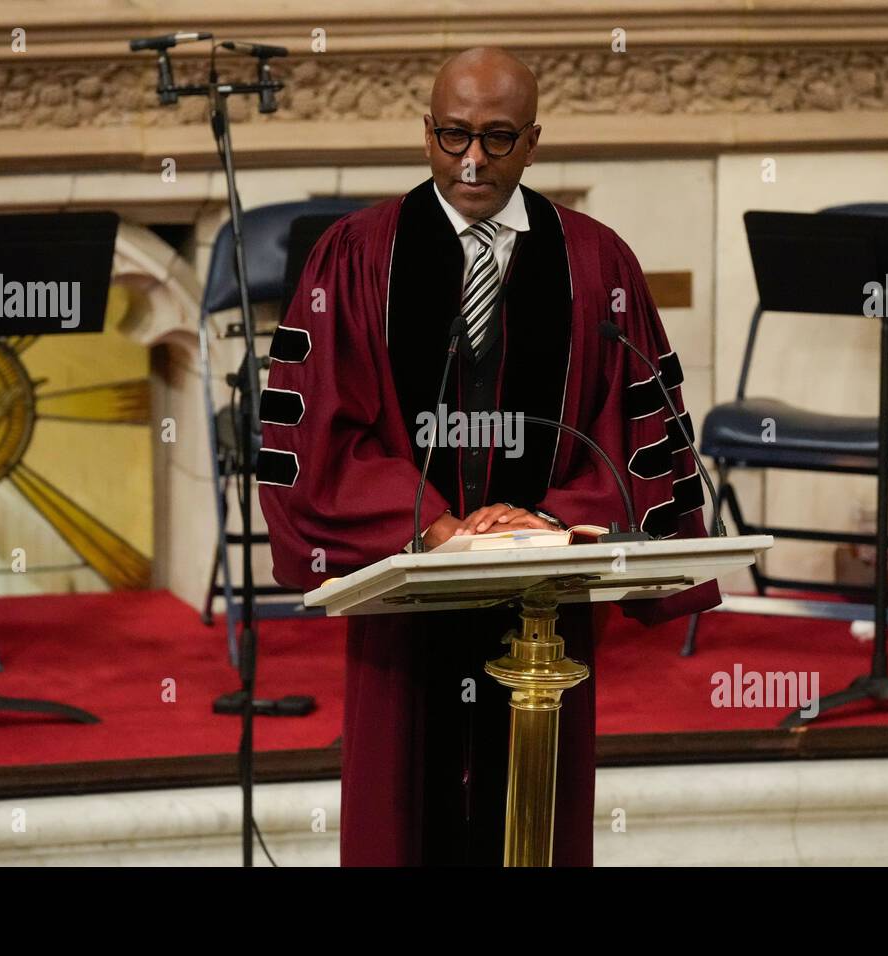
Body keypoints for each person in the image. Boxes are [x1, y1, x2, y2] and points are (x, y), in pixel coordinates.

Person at [257, 47, 719, 866]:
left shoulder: (595, 263)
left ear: (534, 141)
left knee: (532, 814)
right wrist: (429, 523)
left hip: (544, 586)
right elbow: (316, 433)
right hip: (406, 599)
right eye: (453, 134)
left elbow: (636, 434)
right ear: (425, 131)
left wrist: (548, 517)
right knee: (408, 813)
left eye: (498, 139)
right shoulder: (357, 256)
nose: (472, 159)